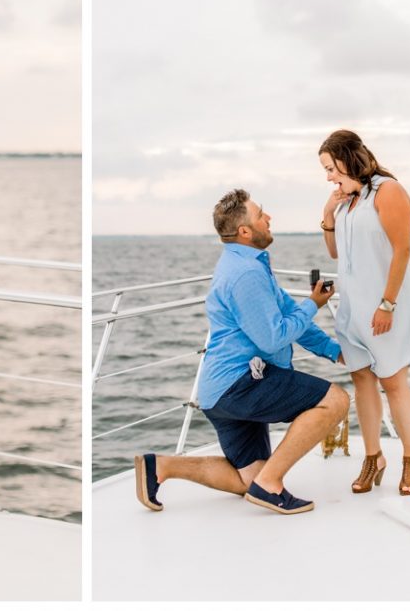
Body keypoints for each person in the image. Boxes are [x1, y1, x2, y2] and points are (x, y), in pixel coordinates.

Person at [134, 189, 349, 515]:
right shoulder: (245, 273)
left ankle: (161, 466)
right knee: (336, 400)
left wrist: (333, 351)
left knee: (249, 479)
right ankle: (270, 485)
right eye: (261, 214)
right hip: (241, 384)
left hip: (218, 393)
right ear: (246, 231)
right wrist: (313, 305)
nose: (269, 218)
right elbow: (273, 339)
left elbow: (288, 313)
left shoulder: (247, 263)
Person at [319, 130, 410, 496]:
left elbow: (403, 250)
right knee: (362, 381)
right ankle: (373, 457)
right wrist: (327, 213)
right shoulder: (348, 201)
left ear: (347, 158)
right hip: (353, 307)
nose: (328, 177)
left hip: (386, 305)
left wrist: (387, 304)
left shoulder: (388, 191)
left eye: (329, 168)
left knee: (394, 382)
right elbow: (336, 254)